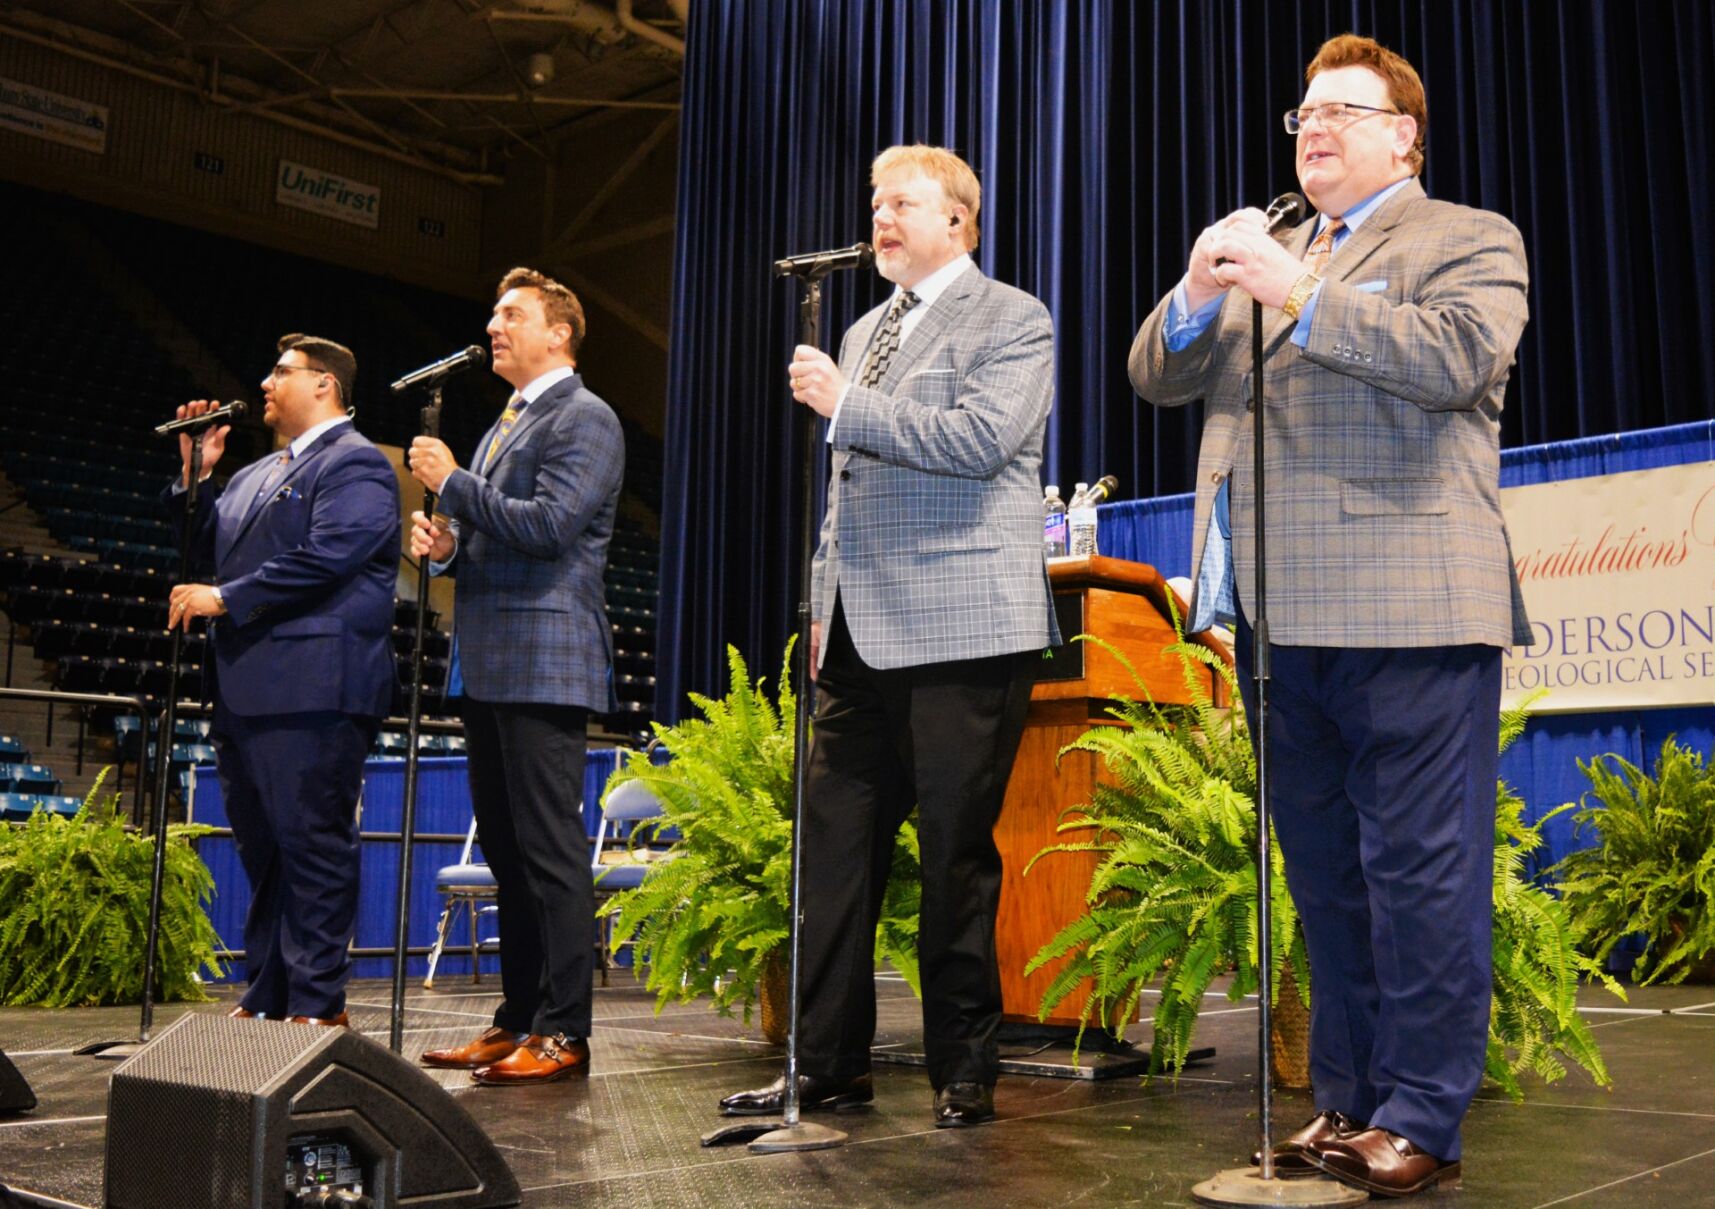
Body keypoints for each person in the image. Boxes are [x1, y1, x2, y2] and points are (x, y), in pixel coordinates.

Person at [1129, 33, 1531, 1199]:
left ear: (1402, 135)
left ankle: (1422, 1114)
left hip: (1409, 604)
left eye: (1340, 112)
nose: (1312, 129)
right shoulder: (1272, 249)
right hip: (1275, 617)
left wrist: (1298, 292)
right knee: (1325, 879)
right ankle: (1346, 1102)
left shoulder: (1465, 237)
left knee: (1420, 874)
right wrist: (1205, 285)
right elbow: (1154, 374)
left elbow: (1453, 358)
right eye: (1302, 114)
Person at [719, 144, 1059, 1128]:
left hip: (961, 626)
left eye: (901, 202)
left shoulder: (1011, 317)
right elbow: (845, 497)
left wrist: (846, 403)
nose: (879, 216)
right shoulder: (866, 325)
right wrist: (824, 611)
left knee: (953, 851)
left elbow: (977, 443)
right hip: (859, 634)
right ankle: (824, 1064)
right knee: (832, 852)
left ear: (957, 219)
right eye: (875, 201)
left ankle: (964, 1068)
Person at [408, 267, 624, 1086]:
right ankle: (517, 1017)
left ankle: (564, 1030)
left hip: (545, 657)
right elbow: (493, 535)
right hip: (488, 659)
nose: (493, 326)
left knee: (549, 850)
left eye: (511, 314)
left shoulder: (587, 417)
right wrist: (447, 545)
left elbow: (551, 528)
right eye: (493, 312)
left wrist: (453, 482)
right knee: (505, 849)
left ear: (558, 333)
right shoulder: (507, 420)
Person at [165, 334, 400, 1027]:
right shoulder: (253, 473)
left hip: (316, 688)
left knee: (313, 844)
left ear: (324, 384)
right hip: (245, 689)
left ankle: (318, 1003)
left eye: (281, 372)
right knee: (265, 851)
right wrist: (196, 479)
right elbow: (202, 548)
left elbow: (327, 557)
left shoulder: (356, 464)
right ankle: (268, 992)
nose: (265, 383)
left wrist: (226, 598)